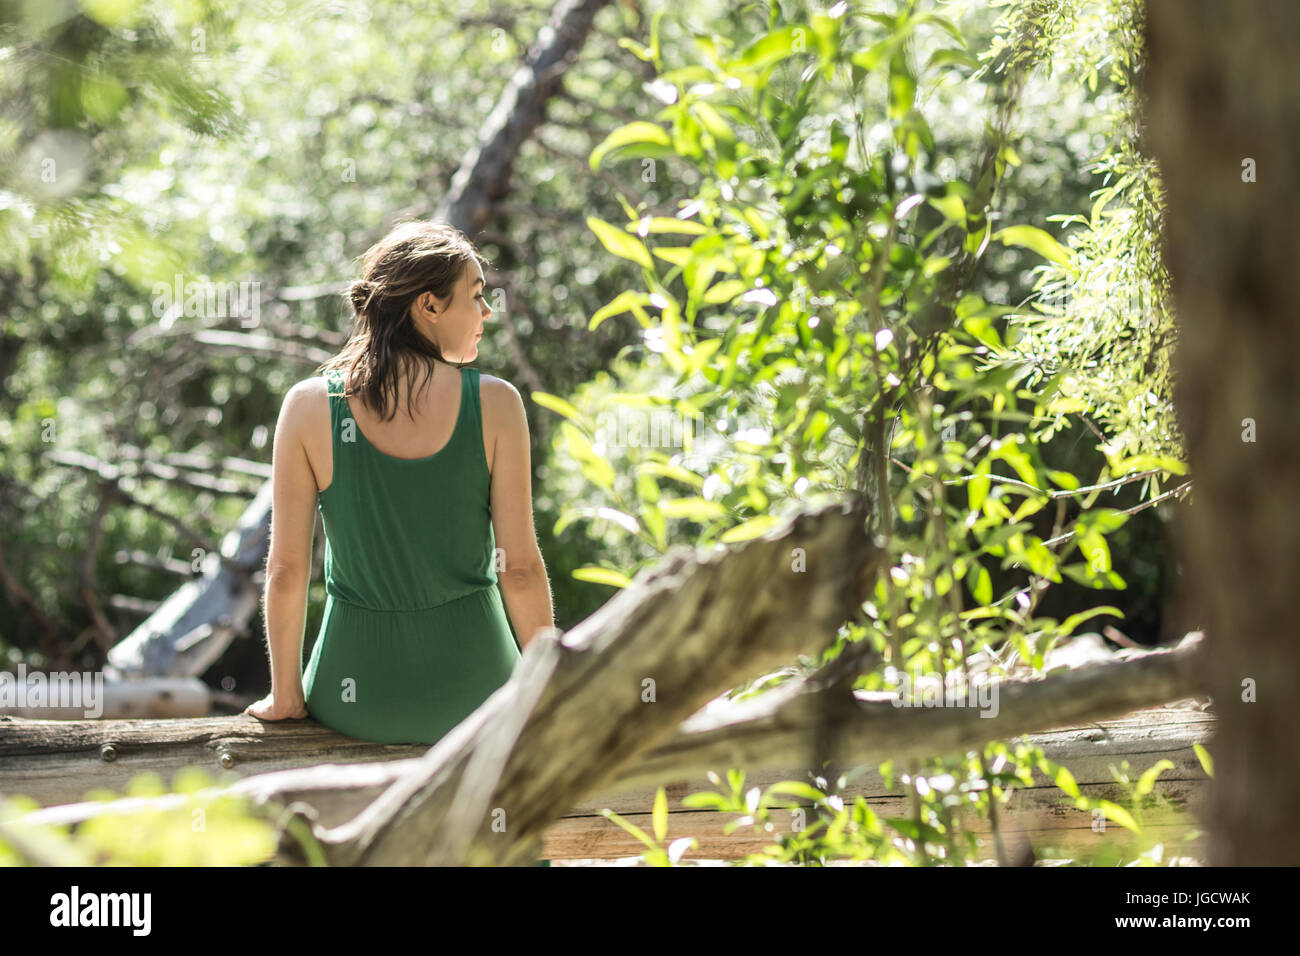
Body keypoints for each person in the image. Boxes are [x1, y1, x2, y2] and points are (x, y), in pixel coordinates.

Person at [245, 220, 556, 862]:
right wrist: (548, 687)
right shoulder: (495, 405)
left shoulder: (308, 407)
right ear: (429, 305)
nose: (486, 311)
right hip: (475, 694)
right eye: (475, 294)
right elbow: (519, 569)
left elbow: (285, 570)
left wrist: (286, 695)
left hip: (353, 696)